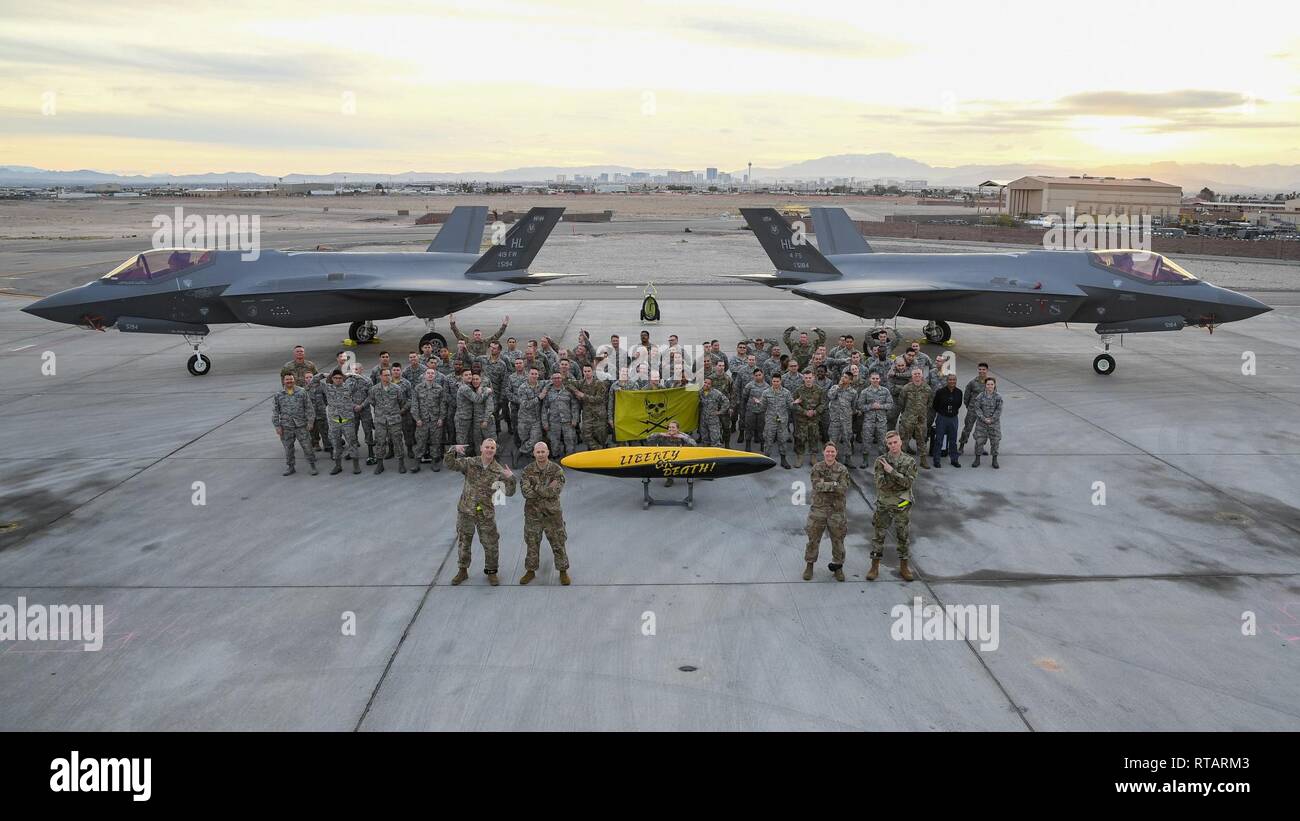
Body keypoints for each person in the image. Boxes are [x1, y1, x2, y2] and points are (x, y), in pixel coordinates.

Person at [446, 440, 516, 586]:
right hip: (466, 510)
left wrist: (511, 478)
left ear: (495, 450)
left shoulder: (498, 471)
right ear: (481, 448)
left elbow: (509, 492)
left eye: (492, 448)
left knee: (491, 543)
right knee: (464, 541)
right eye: (487, 447)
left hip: (485, 513)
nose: (489, 450)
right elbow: (451, 464)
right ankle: (462, 570)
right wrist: (453, 450)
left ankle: (492, 572)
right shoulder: (470, 462)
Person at [520, 441, 570, 586]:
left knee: (558, 543)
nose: (541, 454)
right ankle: (530, 571)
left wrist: (535, 487)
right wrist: (545, 489)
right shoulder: (527, 470)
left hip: (552, 515)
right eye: (538, 452)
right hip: (533, 515)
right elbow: (526, 492)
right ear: (534, 453)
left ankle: (563, 571)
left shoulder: (556, 470)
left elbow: (554, 491)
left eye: (543, 451)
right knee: (532, 543)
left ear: (548, 452)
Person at [870, 431, 917, 582]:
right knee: (879, 535)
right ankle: (874, 566)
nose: (893, 445)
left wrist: (892, 472)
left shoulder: (909, 461)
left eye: (895, 442)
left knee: (903, 535)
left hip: (902, 504)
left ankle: (904, 566)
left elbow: (909, 483)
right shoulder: (881, 460)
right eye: (890, 443)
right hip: (884, 502)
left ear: (900, 442)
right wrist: (899, 480)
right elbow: (880, 484)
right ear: (887, 444)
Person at [804, 441, 850, 581]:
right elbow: (817, 486)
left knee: (838, 540)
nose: (830, 454)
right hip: (819, 509)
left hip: (836, 510)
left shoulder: (842, 469)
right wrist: (834, 484)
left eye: (832, 451)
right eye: (827, 451)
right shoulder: (817, 468)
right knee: (813, 538)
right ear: (823, 452)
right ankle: (809, 565)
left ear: (836, 453)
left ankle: (838, 567)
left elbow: (843, 488)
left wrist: (827, 485)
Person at [364, 368, 408, 474]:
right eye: (385, 375)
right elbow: (372, 402)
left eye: (389, 375)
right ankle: (380, 465)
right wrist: (381, 411)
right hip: (380, 421)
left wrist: (397, 412)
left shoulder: (397, 388)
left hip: (394, 420)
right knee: (380, 442)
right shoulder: (374, 389)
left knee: (398, 441)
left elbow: (402, 402)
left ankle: (401, 464)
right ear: (380, 376)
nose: (387, 377)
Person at [272, 372, 317, 476]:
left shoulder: (301, 392)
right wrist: (277, 426)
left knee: (307, 447)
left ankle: (312, 466)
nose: (289, 381)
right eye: (287, 380)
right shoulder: (279, 395)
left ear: (294, 380)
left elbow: (309, 408)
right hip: (286, 426)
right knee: (288, 448)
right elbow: (275, 411)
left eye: (291, 379)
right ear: (283, 381)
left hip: (301, 425)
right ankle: (290, 467)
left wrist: (310, 422)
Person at [322, 369, 361, 474]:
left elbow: (363, 381)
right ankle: (338, 466)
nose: (338, 380)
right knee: (336, 444)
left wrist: (350, 375)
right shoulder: (327, 388)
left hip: (347, 421)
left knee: (352, 443)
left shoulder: (348, 387)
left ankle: (356, 466)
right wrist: (324, 374)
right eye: (335, 378)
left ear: (343, 378)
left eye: (340, 378)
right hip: (334, 421)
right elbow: (313, 381)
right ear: (332, 379)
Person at [897, 368, 933, 469]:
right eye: (915, 374)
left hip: (921, 419)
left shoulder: (927, 388)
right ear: (912, 376)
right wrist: (907, 414)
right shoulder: (906, 388)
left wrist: (922, 412)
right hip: (908, 419)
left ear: (922, 376)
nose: (917, 376)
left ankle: (923, 460)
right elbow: (901, 402)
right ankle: (901, 461)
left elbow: (930, 403)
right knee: (904, 440)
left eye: (919, 374)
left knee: (922, 440)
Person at [412, 368, 446, 472]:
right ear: (424, 375)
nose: (430, 375)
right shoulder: (418, 388)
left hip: (435, 420)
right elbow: (414, 405)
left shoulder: (439, 388)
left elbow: (443, 404)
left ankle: (434, 463)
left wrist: (441, 418)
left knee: (435, 442)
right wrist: (417, 418)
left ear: (435, 376)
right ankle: (417, 463)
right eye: (428, 373)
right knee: (420, 442)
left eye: (432, 373)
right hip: (422, 421)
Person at [857, 371, 893, 468]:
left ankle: (882, 462)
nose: (875, 380)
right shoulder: (865, 392)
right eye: (873, 378)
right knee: (866, 440)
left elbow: (890, 404)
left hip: (881, 421)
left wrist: (880, 406)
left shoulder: (885, 391)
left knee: (882, 442)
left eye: (877, 378)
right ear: (870, 379)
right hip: (868, 421)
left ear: (880, 379)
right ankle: (865, 460)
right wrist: (871, 406)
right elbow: (860, 406)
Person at [790, 371, 825, 468]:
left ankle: (813, 457)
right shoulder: (798, 390)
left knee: (814, 437)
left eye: (810, 377)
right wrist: (805, 412)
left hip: (814, 419)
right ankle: (800, 457)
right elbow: (794, 404)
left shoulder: (820, 390)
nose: (808, 380)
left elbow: (823, 404)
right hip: (802, 419)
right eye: (806, 378)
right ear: (803, 378)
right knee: (800, 438)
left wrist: (815, 411)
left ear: (813, 378)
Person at [570, 364, 609, 450]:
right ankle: (599, 449)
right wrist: (576, 391)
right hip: (587, 415)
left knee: (600, 436)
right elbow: (568, 383)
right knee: (586, 435)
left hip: (599, 415)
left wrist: (583, 396)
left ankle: (601, 452)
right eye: (585, 371)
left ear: (592, 372)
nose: (587, 373)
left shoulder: (599, 383)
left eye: (588, 371)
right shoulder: (581, 383)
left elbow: (599, 399)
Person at [540, 371, 578, 458]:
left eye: (559, 378)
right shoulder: (548, 392)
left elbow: (574, 406)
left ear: (562, 379)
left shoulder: (568, 390)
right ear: (552, 380)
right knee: (554, 442)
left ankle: (570, 457)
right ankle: (555, 457)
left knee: (570, 441)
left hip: (567, 421)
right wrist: (545, 423)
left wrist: (575, 419)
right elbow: (544, 409)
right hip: (554, 422)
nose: (557, 380)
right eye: (555, 378)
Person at [931, 374, 963, 468]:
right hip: (942, 418)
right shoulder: (940, 392)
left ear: (956, 381)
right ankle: (936, 460)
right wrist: (942, 412)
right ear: (947, 380)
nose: (952, 381)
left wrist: (952, 412)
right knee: (939, 439)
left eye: (954, 380)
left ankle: (954, 459)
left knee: (953, 440)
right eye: (950, 379)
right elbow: (935, 405)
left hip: (953, 418)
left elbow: (959, 404)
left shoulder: (959, 392)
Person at [762, 374, 794, 469]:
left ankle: (783, 460)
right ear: (772, 381)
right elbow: (763, 407)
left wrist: (795, 403)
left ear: (780, 381)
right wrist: (758, 403)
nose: (776, 383)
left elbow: (791, 405)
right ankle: (766, 459)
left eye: (777, 381)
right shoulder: (766, 392)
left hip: (782, 421)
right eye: (774, 381)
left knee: (783, 440)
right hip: (770, 420)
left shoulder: (786, 392)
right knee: (768, 439)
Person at [958, 363, 991, 456]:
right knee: (967, 428)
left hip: (984, 411)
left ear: (987, 370)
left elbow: (993, 395)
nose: (981, 371)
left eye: (983, 369)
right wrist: (969, 406)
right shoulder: (973, 382)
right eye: (980, 369)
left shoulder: (990, 382)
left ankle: (981, 447)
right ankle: (961, 446)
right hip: (973, 409)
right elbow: (966, 395)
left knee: (982, 430)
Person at [971, 377, 1003, 469]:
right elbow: (977, 408)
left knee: (995, 441)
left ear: (994, 385)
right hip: (982, 423)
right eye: (988, 384)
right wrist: (983, 418)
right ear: (985, 385)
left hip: (994, 424)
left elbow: (999, 410)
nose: (990, 386)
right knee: (979, 441)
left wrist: (992, 419)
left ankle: (994, 460)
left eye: (992, 384)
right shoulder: (980, 396)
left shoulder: (998, 397)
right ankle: (977, 459)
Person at [826, 373, 858, 465]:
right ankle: (832, 458)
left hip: (846, 420)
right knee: (833, 439)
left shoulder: (853, 392)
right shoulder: (835, 388)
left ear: (850, 381)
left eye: (846, 377)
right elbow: (830, 396)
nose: (843, 378)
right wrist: (838, 387)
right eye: (842, 376)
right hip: (835, 419)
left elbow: (853, 406)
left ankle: (848, 458)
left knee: (847, 439)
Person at [697, 376, 729, 447]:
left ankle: (716, 456)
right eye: (705, 382)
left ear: (711, 385)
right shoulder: (700, 392)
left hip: (713, 421)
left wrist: (720, 412)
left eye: (708, 384)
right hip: (703, 420)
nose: (706, 384)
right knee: (705, 440)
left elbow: (726, 401)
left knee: (715, 441)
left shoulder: (716, 393)